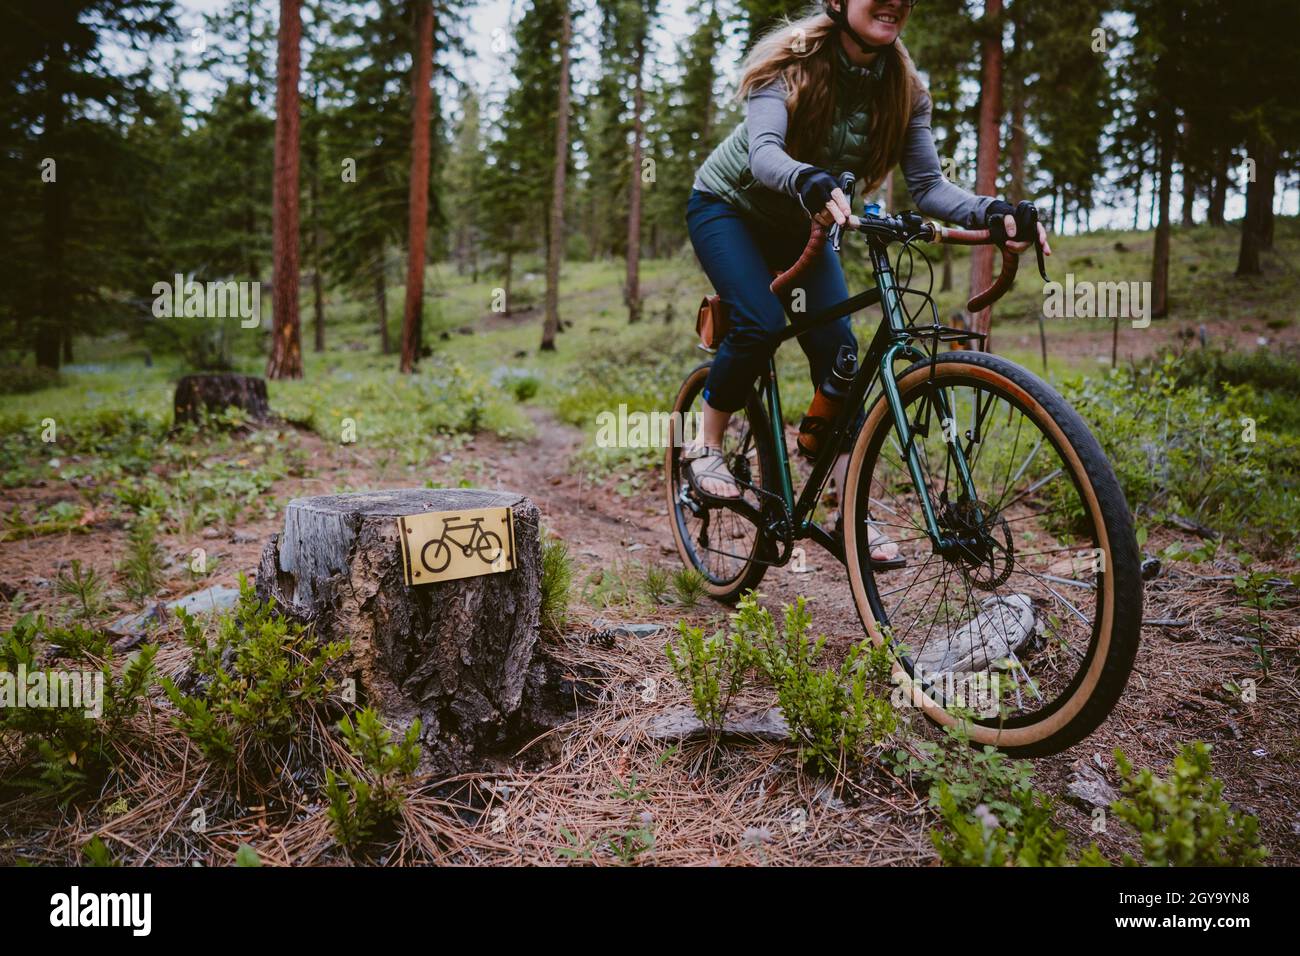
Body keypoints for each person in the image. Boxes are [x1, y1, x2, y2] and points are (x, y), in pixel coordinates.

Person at [683, 0, 1051, 565]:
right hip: (728, 208)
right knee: (758, 322)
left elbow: (928, 186)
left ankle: (848, 502)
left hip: (807, 224)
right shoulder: (791, 62)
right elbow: (763, 156)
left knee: (843, 358)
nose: (895, 2)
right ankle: (705, 447)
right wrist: (806, 176)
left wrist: (993, 211)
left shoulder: (905, 90)